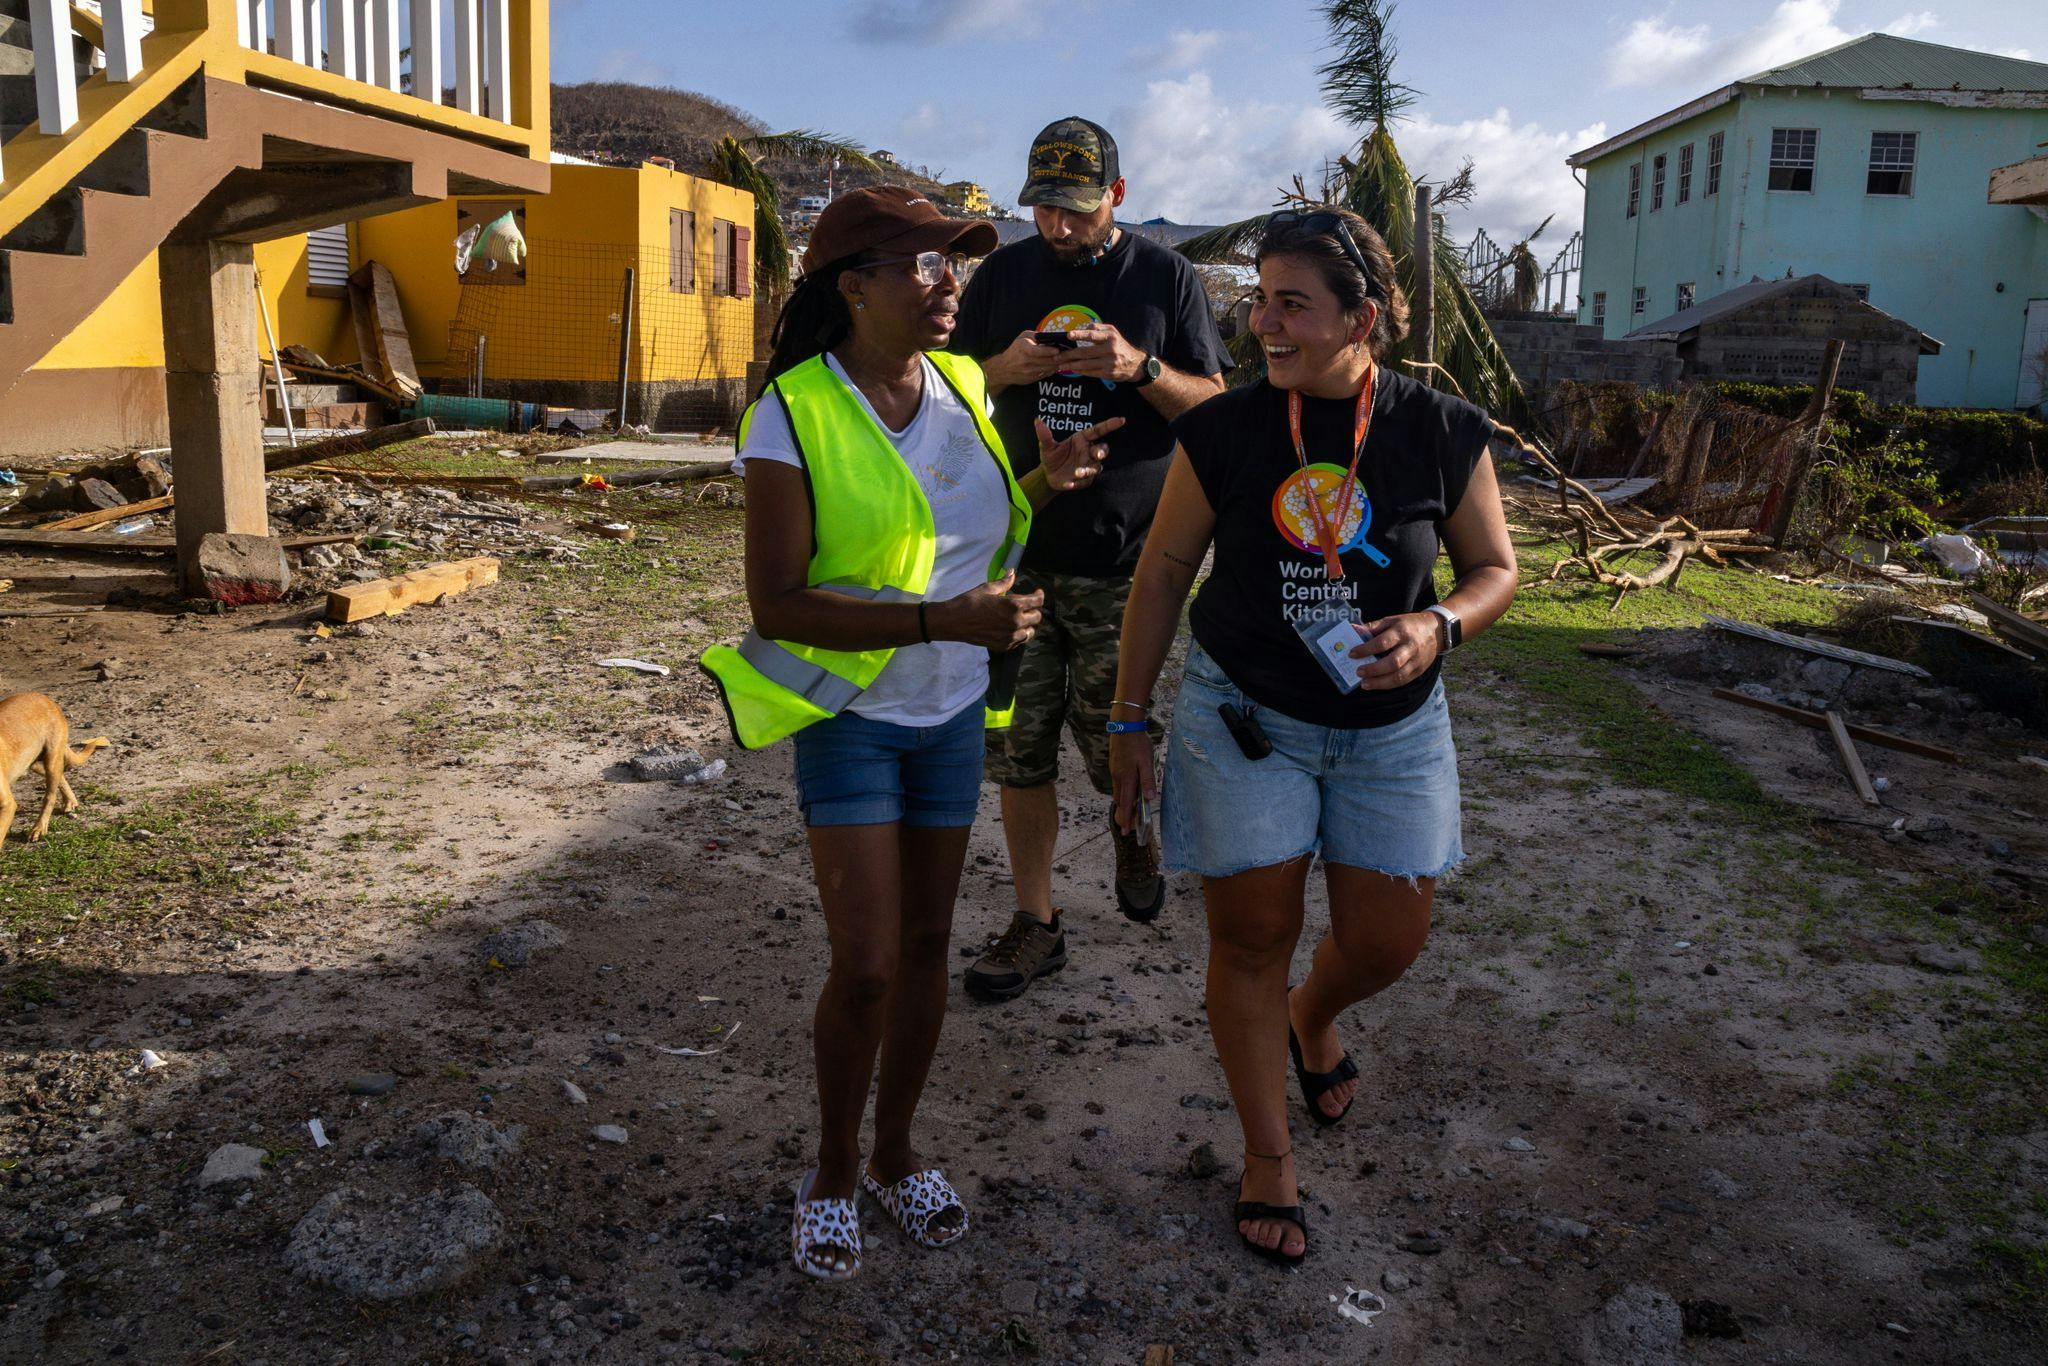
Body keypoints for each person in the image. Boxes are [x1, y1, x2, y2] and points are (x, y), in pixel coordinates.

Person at [699, 187, 1121, 1281]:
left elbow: (942, 524)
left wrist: (1040, 479)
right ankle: (832, 1168)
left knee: (931, 949)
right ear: (854, 288)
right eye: (924, 267)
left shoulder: (964, 384)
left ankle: (895, 1152)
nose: (949, 286)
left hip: (944, 716)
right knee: (870, 964)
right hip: (852, 718)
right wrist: (944, 620)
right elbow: (778, 603)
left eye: (955, 267)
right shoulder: (787, 414)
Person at [1108, 207, 1518, 1264]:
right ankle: (1264, 1152)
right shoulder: (1225, 427)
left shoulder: (1440, 427)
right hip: (1245, 715)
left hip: (1390, 726)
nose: (1261, 324)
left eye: (1290, 304)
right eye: (1258, 300)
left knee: (1388, 939)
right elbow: (1159, 572)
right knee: (1249, 934)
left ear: (1361, 318)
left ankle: (1310, 1013)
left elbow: (1492, 572)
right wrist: (1127, 713)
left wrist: (1437, 625)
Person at [949, 116, 1230, 1001]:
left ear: (1116, 195)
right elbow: (943, 396)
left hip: (1127, 562)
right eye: (1043, 211)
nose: (1058, 229)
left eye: (1074, 211)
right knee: (1021, 749)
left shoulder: (1164, 277)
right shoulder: (1003, 275)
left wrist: (1141, 367)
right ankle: (1038, 924)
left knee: (1113, 738)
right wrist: (1003, 370)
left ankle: (1131, 832)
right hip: (1018, 549)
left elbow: (1217, 410)